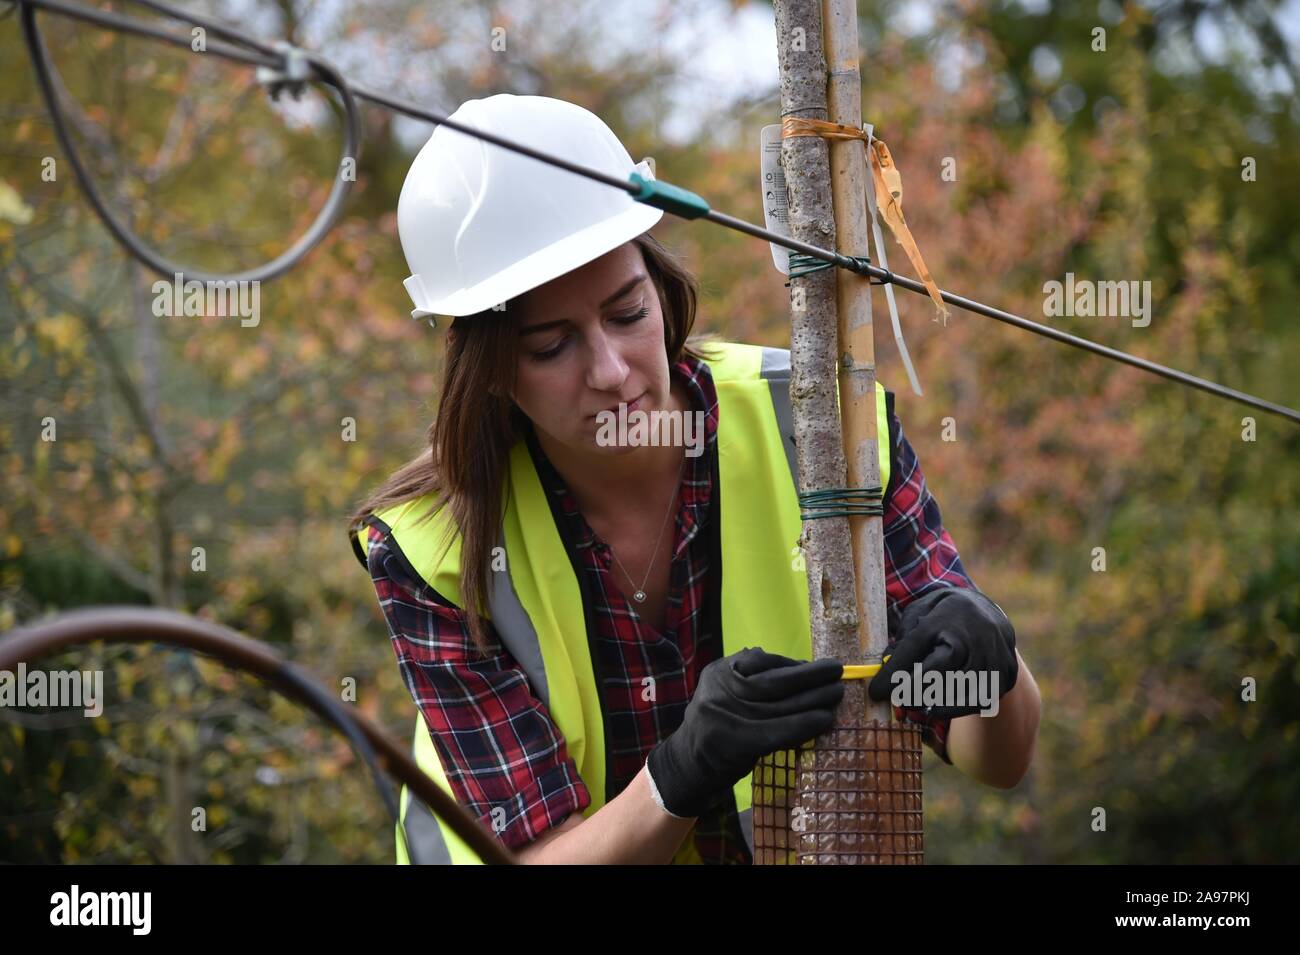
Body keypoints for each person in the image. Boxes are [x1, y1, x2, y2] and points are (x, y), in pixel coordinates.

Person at [347, 93, 1040, 865]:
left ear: (661, 287)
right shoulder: (432, 546)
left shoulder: (823, 427)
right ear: (491, 373)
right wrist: (677, 775)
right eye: (551, 347)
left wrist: (992, 667)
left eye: (627, 312)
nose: (612, 372)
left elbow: (997, 759)